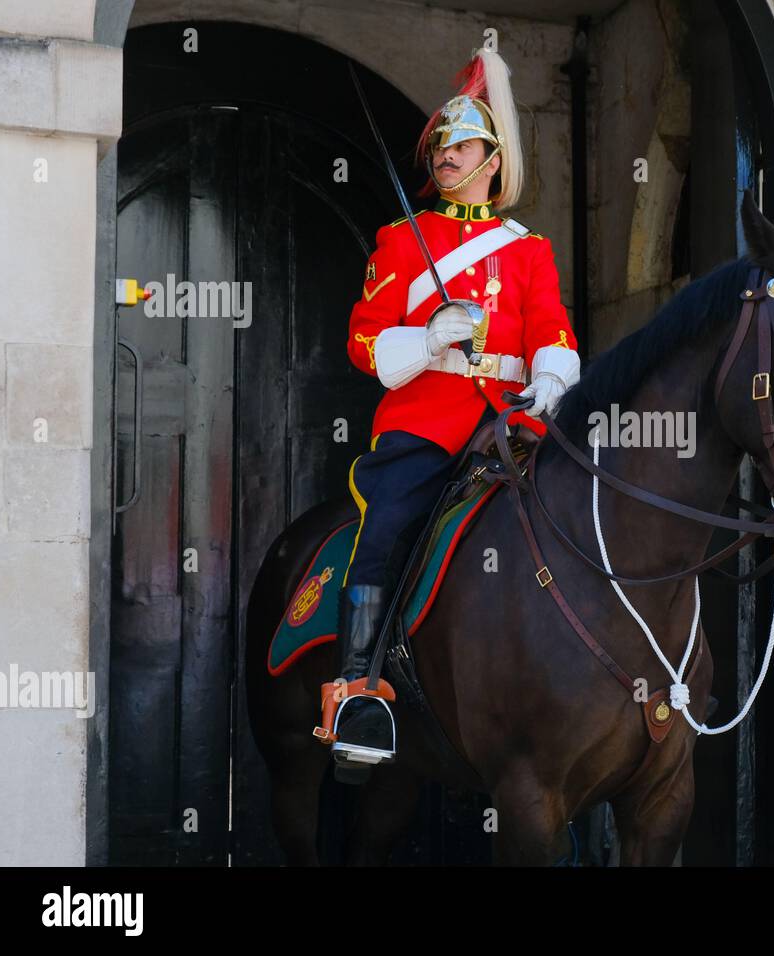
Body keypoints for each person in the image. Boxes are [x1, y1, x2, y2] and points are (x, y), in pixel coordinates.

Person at [325, 48, 581, 770]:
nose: (445, 155)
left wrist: (553, 380)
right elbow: (363, 340)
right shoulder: (403, 240)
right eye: (440, 146)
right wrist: (426, 336)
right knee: (387, 532)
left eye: (462, 145)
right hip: (426, 422)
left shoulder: (527, 250)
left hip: (509, 422)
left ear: (492, 160)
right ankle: (358, 690)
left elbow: (551, 331)